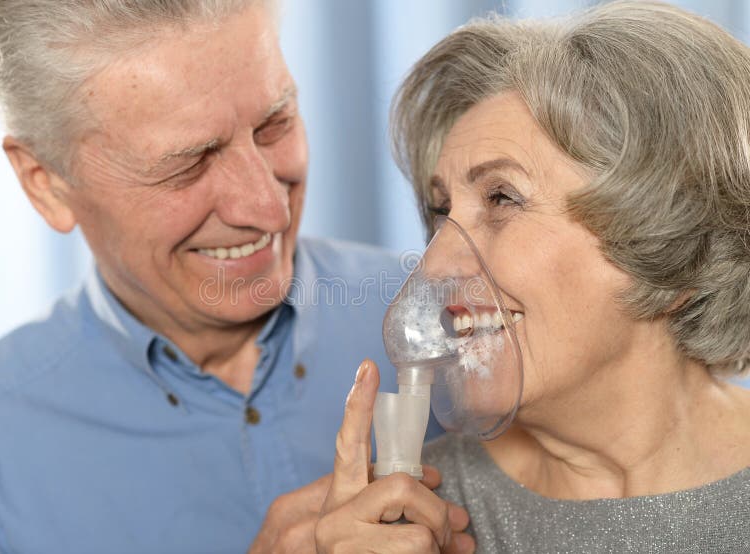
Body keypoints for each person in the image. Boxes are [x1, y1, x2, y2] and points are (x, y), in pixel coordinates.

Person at [0, 1, 456, 553]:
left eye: (274, 124)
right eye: (187, 164)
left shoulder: (459, 322)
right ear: (45, 183)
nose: (270, 209)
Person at [315, 1, 750, 552]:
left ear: (669, 241)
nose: (434, 265)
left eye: (501, 197)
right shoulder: (414, 515)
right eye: (442, 211)